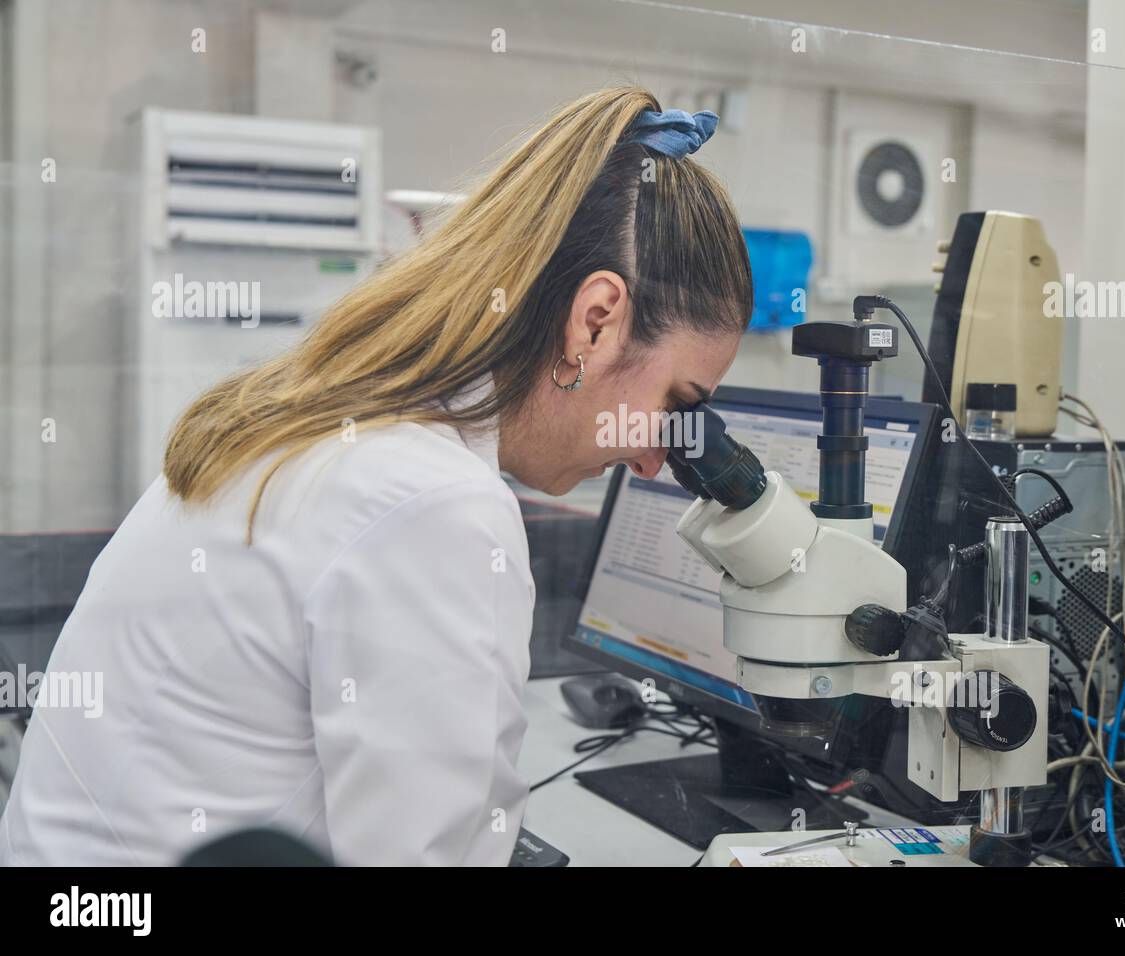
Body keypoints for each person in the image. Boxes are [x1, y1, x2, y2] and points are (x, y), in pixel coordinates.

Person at [0, 86, 752, 866]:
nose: (657, 456)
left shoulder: (316, 418)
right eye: (677, 401)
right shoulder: (434, 502)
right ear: (595, 322)